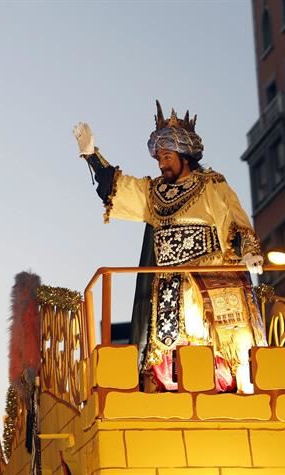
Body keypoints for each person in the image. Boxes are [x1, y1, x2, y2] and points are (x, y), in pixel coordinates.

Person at [73, 101, 266, 393]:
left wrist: (249, 250)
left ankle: (234, 385)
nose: (161, 164)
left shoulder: (211, 184)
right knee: (169, 347)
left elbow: (235, 221)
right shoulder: (155, 193)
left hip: (212, 277)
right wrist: (91, 156)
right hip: (168, 285)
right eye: (159, 158)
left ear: (184, 156)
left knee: (223, 341)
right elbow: (119, 189)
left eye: (167, 156)